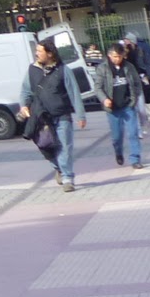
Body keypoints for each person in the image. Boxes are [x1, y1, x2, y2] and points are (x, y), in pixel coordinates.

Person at [19, 39, 87, 192]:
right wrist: (23, 106)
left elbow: (74, 93)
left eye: (39, 51)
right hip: (41, 117)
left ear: (49, 54)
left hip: (62, 115)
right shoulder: (32, 70)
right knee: (46, 146)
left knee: (64, 147)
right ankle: (59, 167)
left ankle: (67, 178)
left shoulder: (63, 70)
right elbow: (25, 91)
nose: (36, 53)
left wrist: (81, 115)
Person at [92, 43, 144, 170]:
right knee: (117, 136)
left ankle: (135, 158)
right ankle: (118, 152)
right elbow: (98, 87)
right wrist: (104, 99)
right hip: (113, 108)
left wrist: (134, 98)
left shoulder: (129, 67)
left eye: (120, 56)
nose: (118, 59)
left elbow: (137, 83)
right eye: (115, 56)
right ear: (109, 55)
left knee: (133, 133)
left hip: (128, 105)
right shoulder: (103, 68)